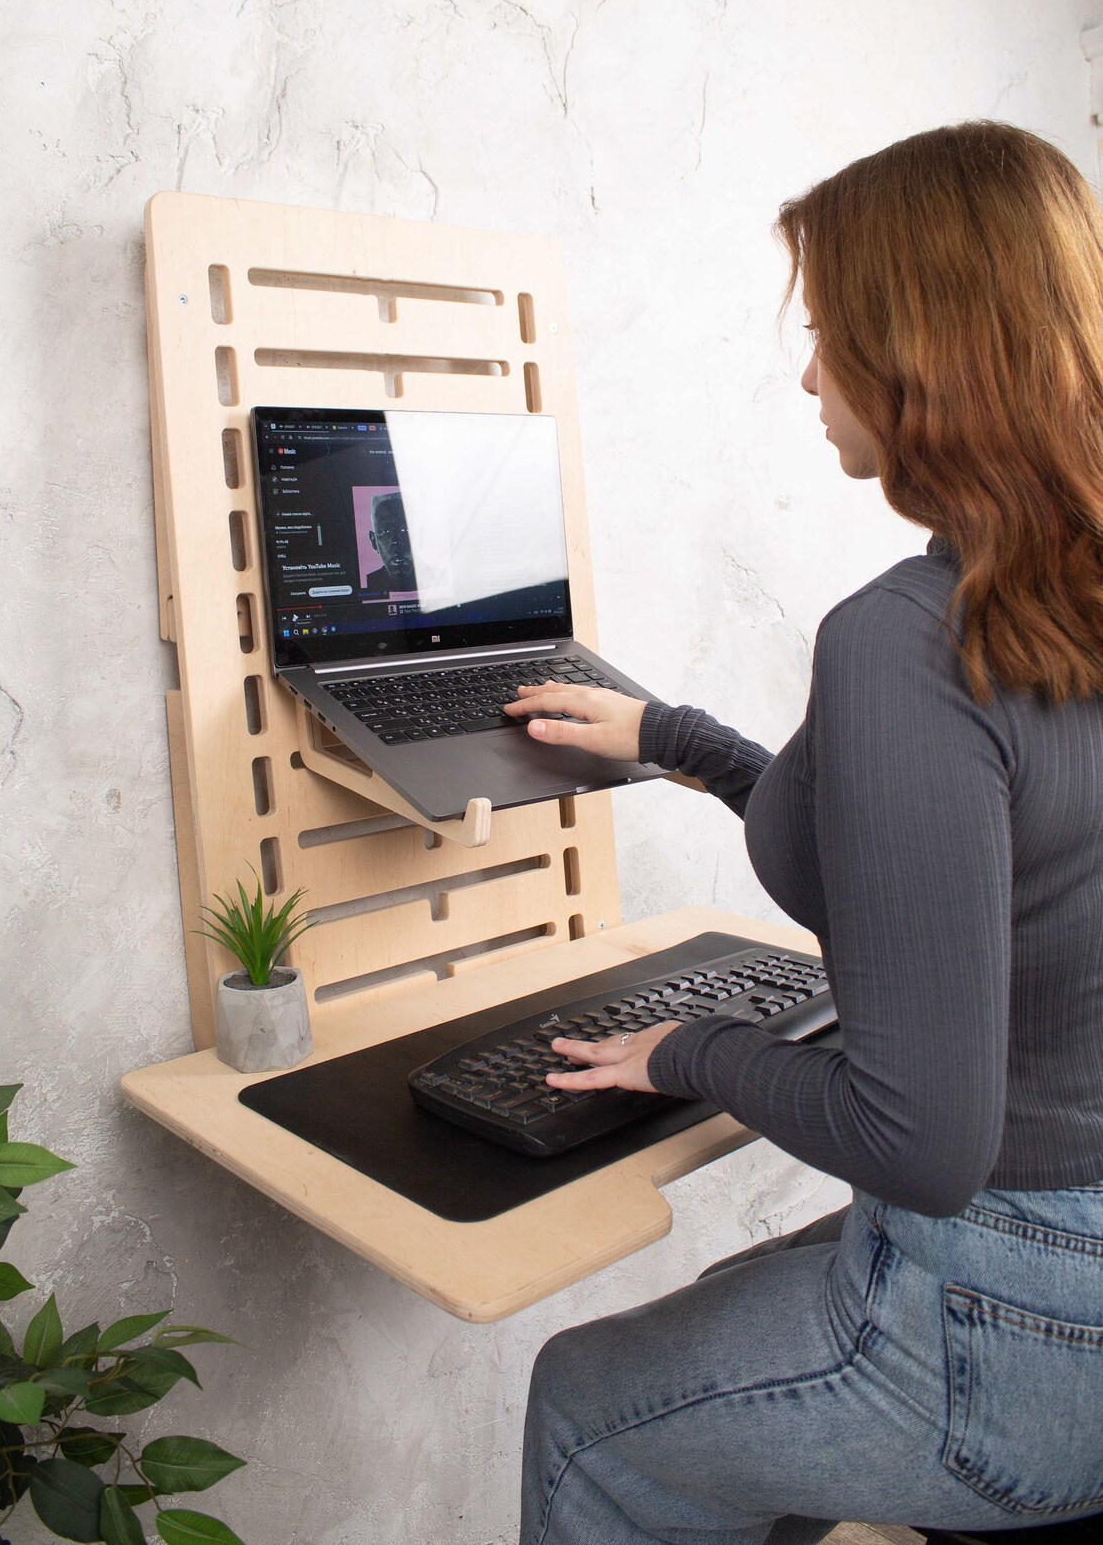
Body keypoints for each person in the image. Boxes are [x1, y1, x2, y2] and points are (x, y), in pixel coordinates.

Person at [505, 121, 1103, 1545]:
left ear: (922, 360)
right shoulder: (1043, 604)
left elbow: (920, 1139)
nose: (810, 372)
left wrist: (688, 1047)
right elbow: (957, 856)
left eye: (831, 332)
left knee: (588, 1404)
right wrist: (679, 741)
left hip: (1009, 1329)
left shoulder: (906, 643)